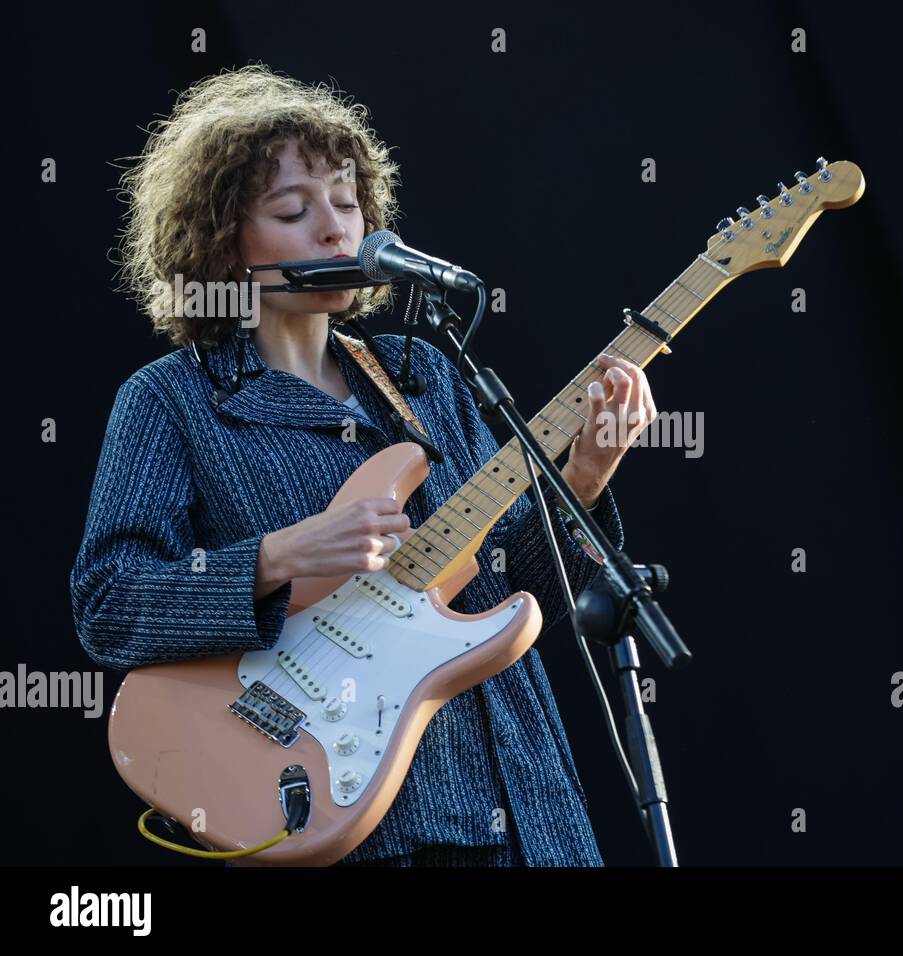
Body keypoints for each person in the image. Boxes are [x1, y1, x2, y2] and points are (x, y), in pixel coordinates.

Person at [69, 63, 657, 867]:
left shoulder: (422, 374)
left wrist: (585, 476)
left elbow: (508, 595)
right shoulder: (172, 399)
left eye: (347, 204)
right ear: (219, 241)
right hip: (352, 816)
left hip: (521, 801)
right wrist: (279, 557)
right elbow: (108, 604)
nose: (335, 231)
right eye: (292, 209)